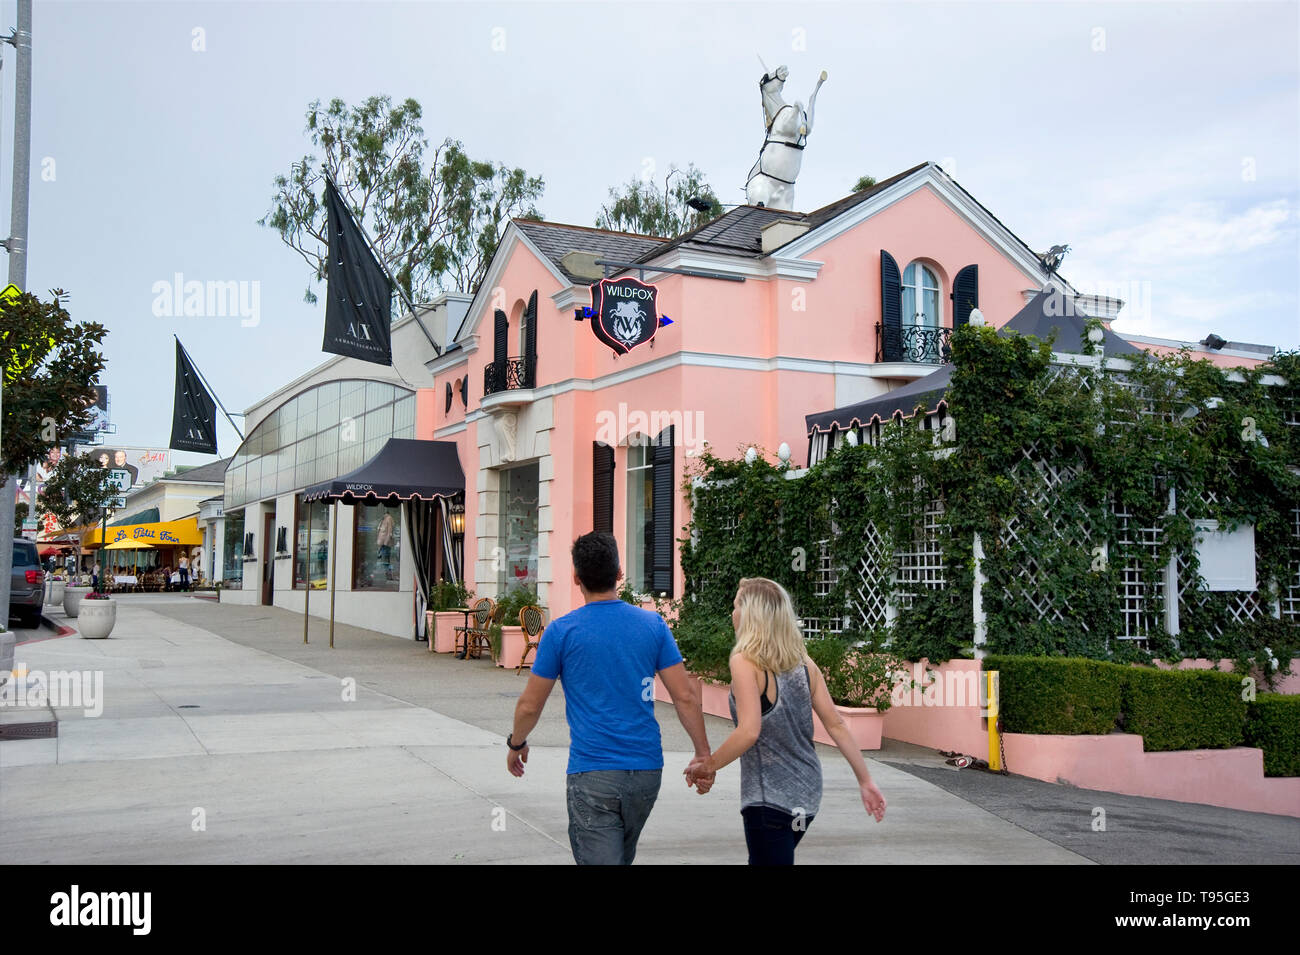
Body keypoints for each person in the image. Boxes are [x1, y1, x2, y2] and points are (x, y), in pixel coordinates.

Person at [507, 531, 712, 865]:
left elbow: (530, 705)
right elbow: (685, 697)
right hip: (646, 772)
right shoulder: (653, 625)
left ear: (576, 578)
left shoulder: (561, 632)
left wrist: (517, 743)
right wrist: (704, 756)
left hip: (593, 776)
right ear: (619, 573)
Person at [686, 578, 887, 865]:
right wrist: (865, 780)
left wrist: (709, 765)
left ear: (751, 615)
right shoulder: (805, 664)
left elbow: (749, 731)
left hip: (770, 801)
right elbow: (837, 725)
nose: (733, 613)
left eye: (736, 606)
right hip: (807, 796)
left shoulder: (744, 662)